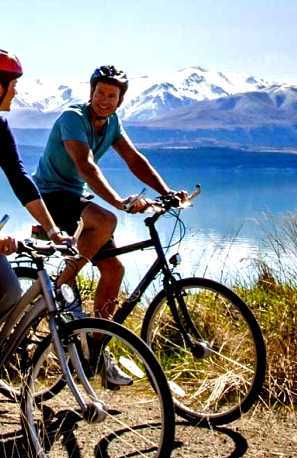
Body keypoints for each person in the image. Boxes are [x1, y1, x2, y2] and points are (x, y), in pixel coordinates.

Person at [34, 65, 187, 325]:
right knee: (106, 219)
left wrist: (167, 192)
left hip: (75, 197)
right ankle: (62, 283)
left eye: (111, 96)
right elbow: (86, 165)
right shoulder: (73, 118)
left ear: (120, 100)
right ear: (91, 92)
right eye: (100, 93)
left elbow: (135, 160)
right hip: (49, 194)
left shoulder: (113, 123)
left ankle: (96, 343)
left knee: (114, 270)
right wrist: (118, 201)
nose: (105, 101)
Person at [0, 48, 72, 424]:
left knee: (9, 289)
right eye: (13, 87)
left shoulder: (0, 129)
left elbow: (21, 180)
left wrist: (54, 230)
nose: (16, 94)